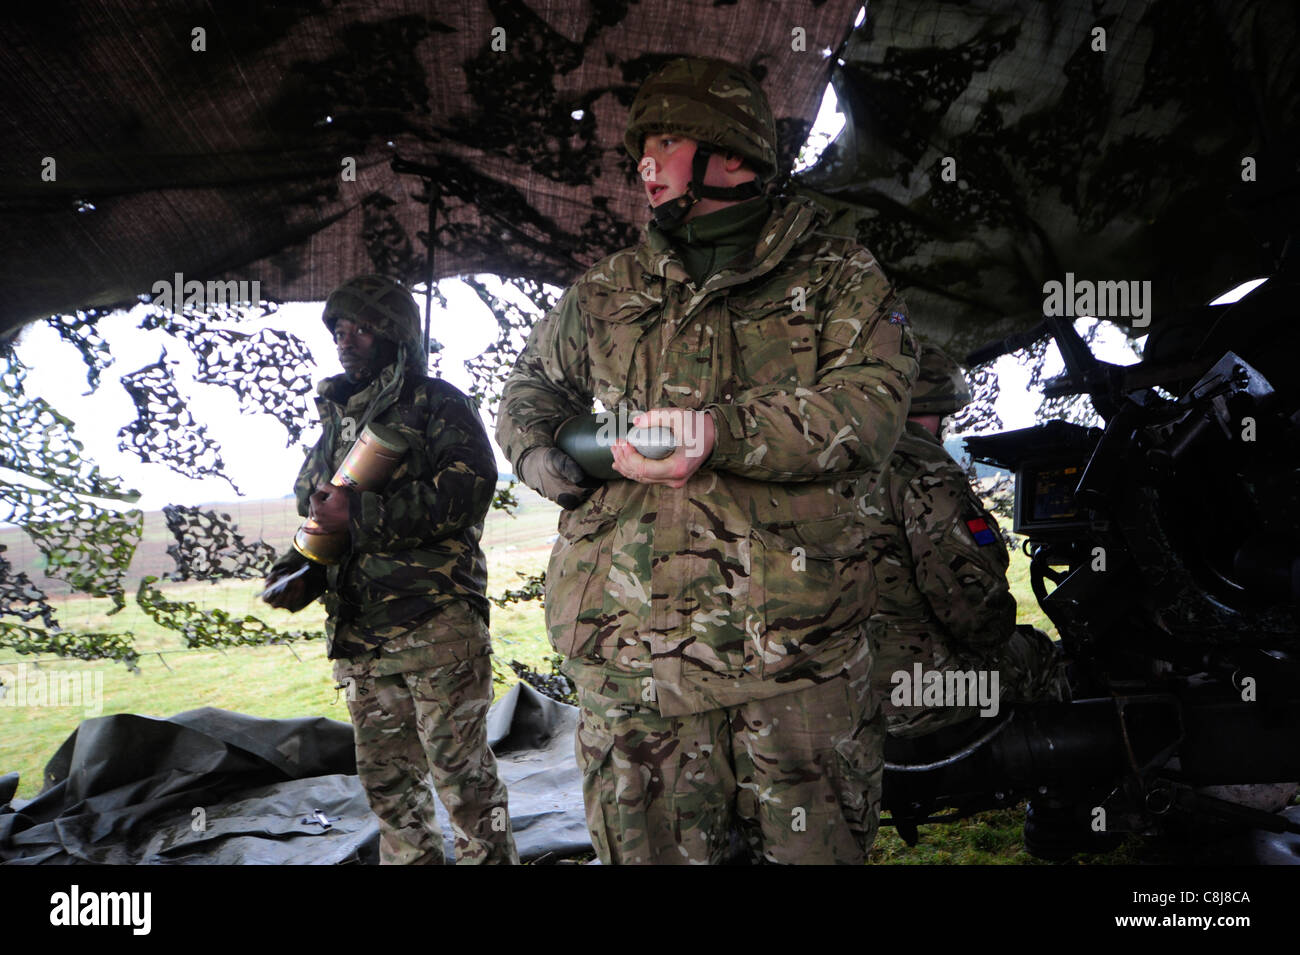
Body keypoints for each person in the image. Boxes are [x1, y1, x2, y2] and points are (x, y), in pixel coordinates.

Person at [496, 57, 918, 864]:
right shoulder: (606, 290)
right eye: (640, 151)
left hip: (794, 662)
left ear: (729, 150)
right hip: (631, 663)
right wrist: (553, 462)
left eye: (664, 142)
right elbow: (526, 393)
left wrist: (719, 434)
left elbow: (870, 408)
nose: (644, 166)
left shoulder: (839, 275)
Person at [262, 274, 517, 865]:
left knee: (465, 782)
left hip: (434, 623)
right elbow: (322, 510)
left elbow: (467, 492)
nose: (345, 341)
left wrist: (362, 515)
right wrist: (302, 568)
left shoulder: (437, 403)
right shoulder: (339, 418)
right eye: (338, 330)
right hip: (360, 636)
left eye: (360, 328)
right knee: (389, 790)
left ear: (396, 333)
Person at [864, 344, 1066, 739]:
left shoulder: (829, 459)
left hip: (832, 690)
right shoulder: (922, 468)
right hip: (912, 696)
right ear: (936, 411)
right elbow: (977, 614)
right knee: (1038, 653)